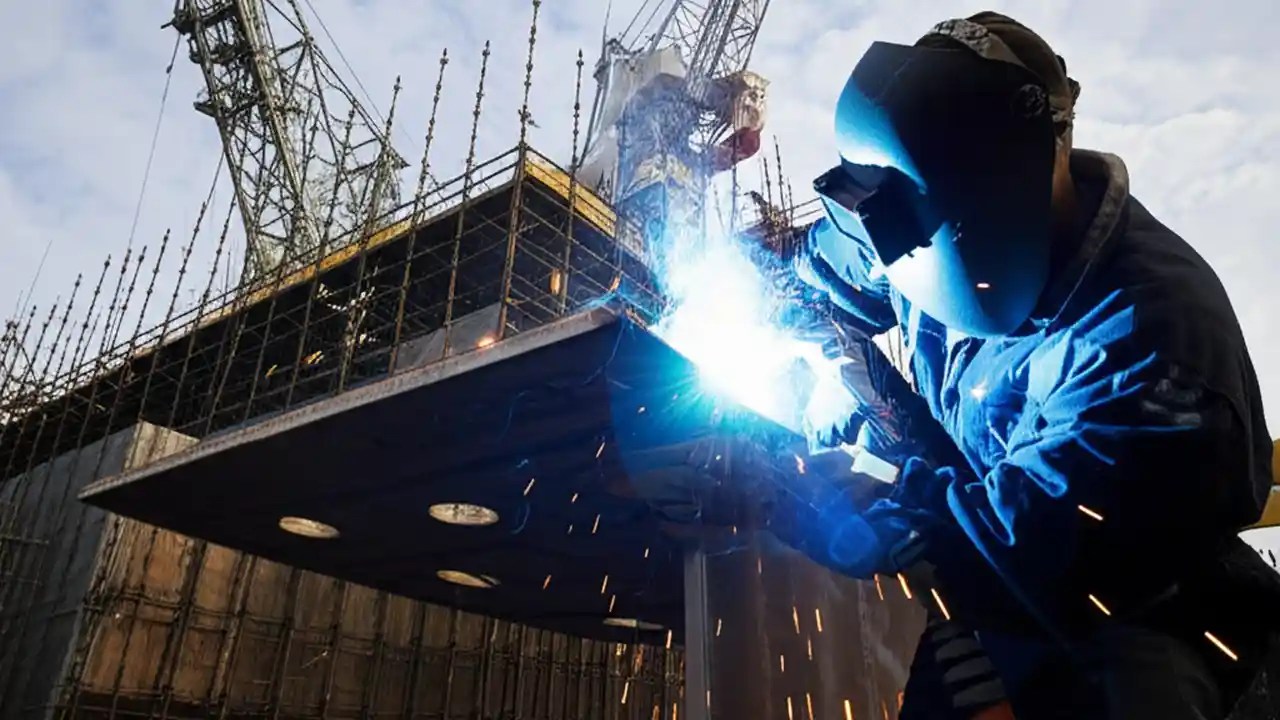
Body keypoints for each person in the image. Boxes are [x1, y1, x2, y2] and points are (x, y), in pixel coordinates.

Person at [777, 11, 1280, 719]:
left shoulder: (1156, 338)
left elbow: (1029, 543)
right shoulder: (915, 206)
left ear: (1039, 160)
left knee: (1119, 683)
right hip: (979, 501)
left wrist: (862, 502)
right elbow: (834, 270)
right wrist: (773, 302)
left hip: (1144, 598)